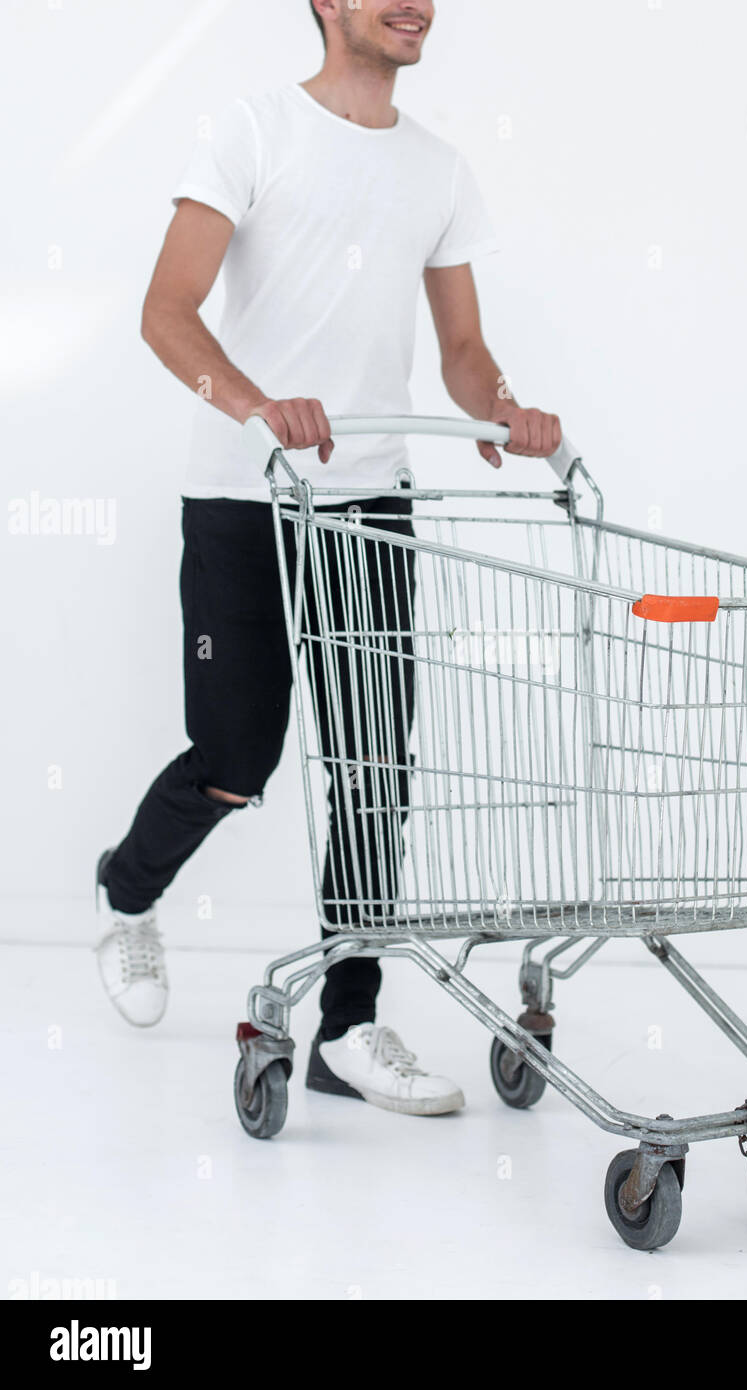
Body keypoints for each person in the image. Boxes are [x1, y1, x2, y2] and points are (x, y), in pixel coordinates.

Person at [94, 0, 563, 1116]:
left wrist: (502, 410)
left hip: (368, 508)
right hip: (242, 497)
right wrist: (257, 405)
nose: (413, 4)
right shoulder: (251, 131)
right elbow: (165, 311)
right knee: (236, 754)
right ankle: (126, 890)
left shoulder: (439, 169)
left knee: (371, 768)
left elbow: (460, 351)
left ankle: (347, 1025)